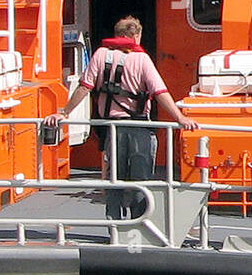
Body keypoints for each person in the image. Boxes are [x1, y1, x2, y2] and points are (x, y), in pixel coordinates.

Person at [48, 16, 197, 220]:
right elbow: (160, 91)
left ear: (117, 35)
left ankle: (114, 225)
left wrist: (64, 112)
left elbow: (84, 88)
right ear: (136, 36)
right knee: (139, 179)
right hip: (138, 128)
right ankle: (138, 223)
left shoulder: (100, 55)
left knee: (114, 178)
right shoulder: (142, 59)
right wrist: (180, 117)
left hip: (111, 128)